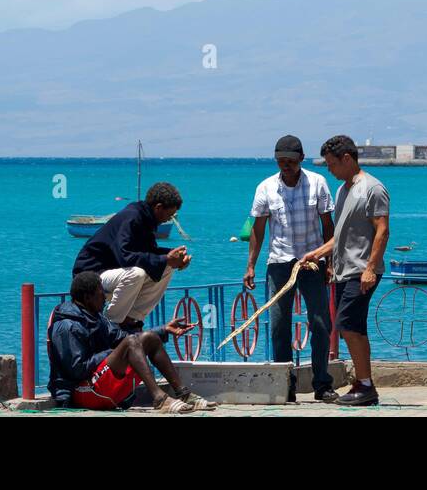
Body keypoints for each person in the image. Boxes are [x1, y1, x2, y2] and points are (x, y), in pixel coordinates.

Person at [243, 134, 337, 403]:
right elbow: (258, 230)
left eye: (290, 161)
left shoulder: (318, 183)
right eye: (280, 161)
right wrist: (250, 265)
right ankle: (285, 385)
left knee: (320, 322)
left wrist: (328, 263)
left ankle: (322, 384)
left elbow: (327, 226)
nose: (285, 166)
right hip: (279, 264)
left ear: (301, 160)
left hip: (312, 262)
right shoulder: (266, 188)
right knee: (278, 325)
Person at [302, 134, 390, 407]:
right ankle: (364, 384)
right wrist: (317, 253)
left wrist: (370, 268)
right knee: (352, 327)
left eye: (332, 164)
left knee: (348, 325)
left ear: (347, 159)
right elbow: (339, 236)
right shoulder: (342, 191)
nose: (329, 169)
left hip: (361, 271)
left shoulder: (372, 188)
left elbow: (382, 230)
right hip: (343, 271)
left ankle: (364, 385)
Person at [47, 271, 212, 412]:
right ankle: (159, 399)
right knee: (131, 341)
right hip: (81, 392)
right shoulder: (66, 327)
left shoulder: (95, 317)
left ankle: (184, 394)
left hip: (98, 382)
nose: (105, 297)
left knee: (149, 338)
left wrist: (163, 330)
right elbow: (77, 370)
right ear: (87, 297)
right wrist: (110, 354)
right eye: (100, 293)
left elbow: (120, 337)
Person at [72, 181, 191, 328]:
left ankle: (130, 318)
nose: (170, 219)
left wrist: (173, 257)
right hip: (89, 275)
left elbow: (148, 252)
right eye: (169, 214)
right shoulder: (132, 217)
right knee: (137, 273)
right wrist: (166, 258)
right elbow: (126, 257)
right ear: (158, 207)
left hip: (113, 274)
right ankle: (111, 324)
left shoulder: (146, 220)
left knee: (166, 267)